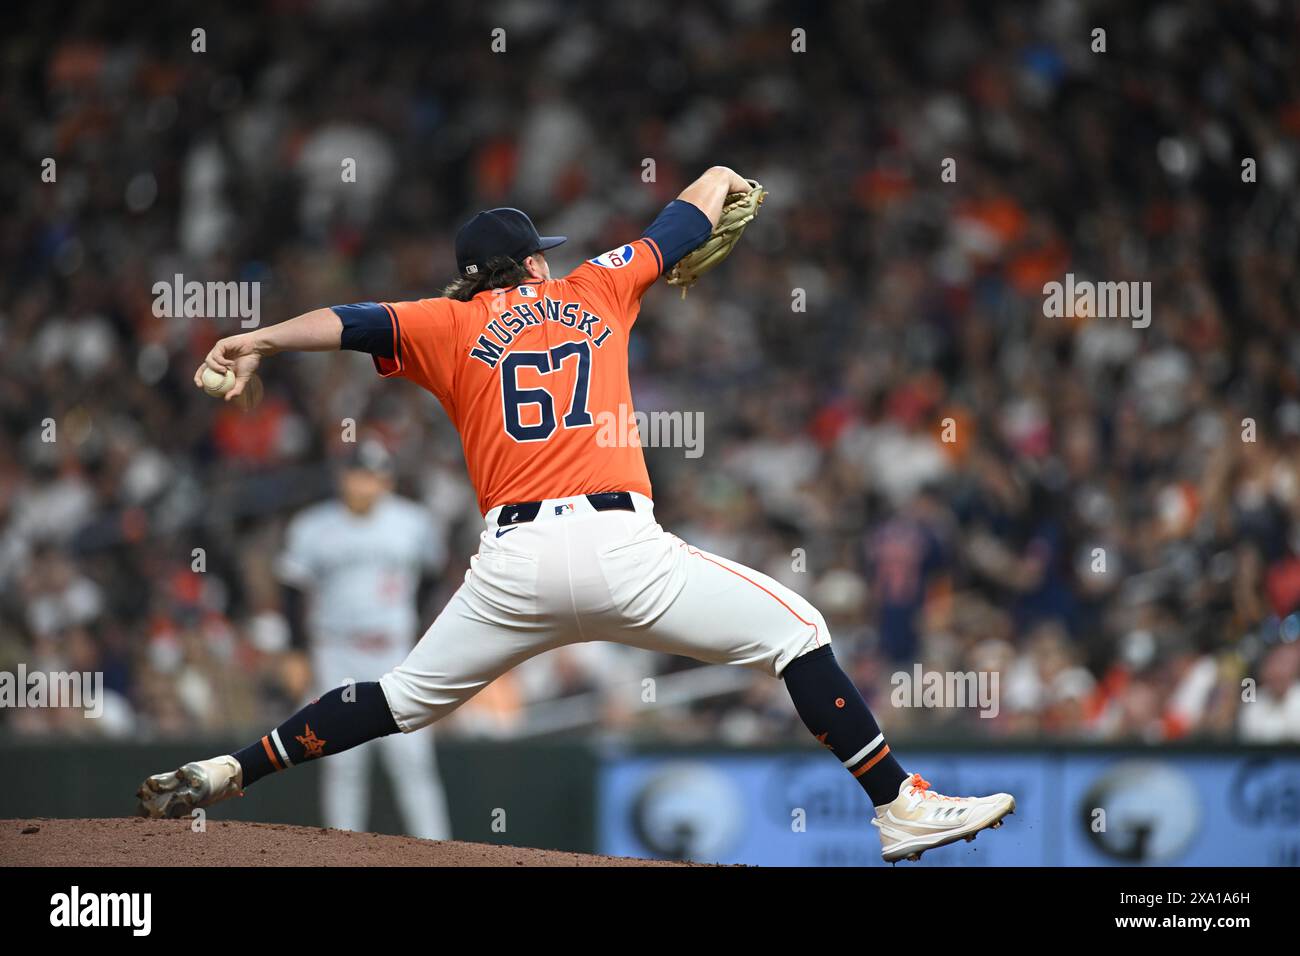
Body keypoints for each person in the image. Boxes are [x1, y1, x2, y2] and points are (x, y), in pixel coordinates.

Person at [137, 166, 1014, 863]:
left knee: (398, 700)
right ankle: (899, 807)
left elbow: (347, 320)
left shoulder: (442, 324)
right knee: (798, 630)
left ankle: (232, 766)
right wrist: (721, 176)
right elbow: (688, 213)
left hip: (510, 571)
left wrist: (252, 338)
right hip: (620, 551)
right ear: (535, 265)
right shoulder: (599, 287)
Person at [276, 439, 451, 840]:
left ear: (387, 480)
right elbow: (291, 590)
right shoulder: (313, 526)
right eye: (357, 475)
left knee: (412, 758)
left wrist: (425, 630)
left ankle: (439, 852)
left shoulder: (413, 522)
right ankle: (342, 852)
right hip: (336, 651)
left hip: (395, 652)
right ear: (342, 479)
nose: (364, 484)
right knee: (342, 760)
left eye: (372, 475)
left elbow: (434, 578)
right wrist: (295, 650)